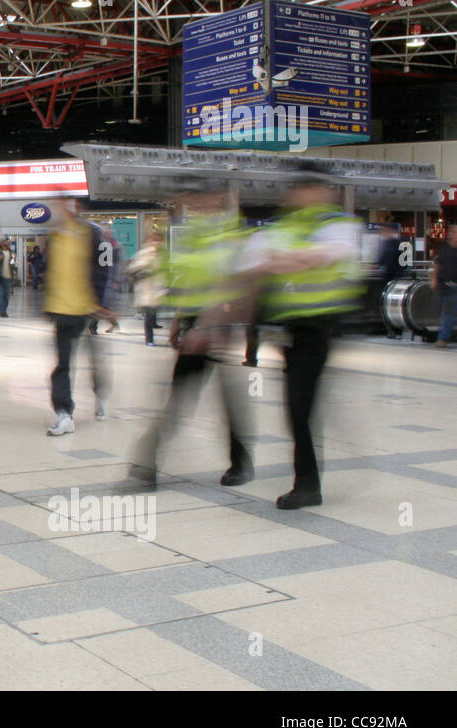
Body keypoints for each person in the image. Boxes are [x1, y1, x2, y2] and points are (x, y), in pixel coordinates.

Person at [235, 166, 365, 508]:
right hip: (290, 330)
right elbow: (250, 266)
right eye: (302, 188)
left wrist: (279, 260)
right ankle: (307, 483)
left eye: (313, 187)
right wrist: (282, 260)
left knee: (299, 407)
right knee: (297, 408)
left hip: (320, 327)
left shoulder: (339, 225)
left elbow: (314, 258)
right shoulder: (285, 226)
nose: (306, 194)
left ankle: (308, 486)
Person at [127, 185, 253, 490]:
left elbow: (228, 284)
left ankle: (238, 462)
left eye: (198, 197)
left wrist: (206, 327)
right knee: (186, 396)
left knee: (211, 398)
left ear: (217, 198)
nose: (191, 204)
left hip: (218, 324)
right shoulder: (191, 234)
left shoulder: (230, 231)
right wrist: (181, 320)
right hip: (196, 325)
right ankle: (150, 464)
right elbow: (191, 283)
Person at [44, 198, 116, 436]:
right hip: (61, 309)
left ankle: (101, 395)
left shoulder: (92, 234)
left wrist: (103, 304)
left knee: (93, 357)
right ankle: (65, 413)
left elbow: (104, 269)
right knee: (63, 364)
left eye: (67, 205)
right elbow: (51, 272)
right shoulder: (55, 236)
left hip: (87, 308)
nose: (62, 210)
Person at [128, 233, 164, 345]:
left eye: (158, 241)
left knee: (152, 313)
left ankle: (151, 333)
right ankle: (149, 339)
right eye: (154, 240)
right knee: (148, 315)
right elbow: (133, 268)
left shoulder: (162, 255)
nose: (156, 243)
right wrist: (144, 270)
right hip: (146, 290)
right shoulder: (143, 254)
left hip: (157, 289)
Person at [432, 225, 457, 348]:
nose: (451, 234)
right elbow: (438, 263)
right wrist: (434, 278)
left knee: (448, 312)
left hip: (455, 286)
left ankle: (443, 338)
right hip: (444, 285)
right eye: (451, 231)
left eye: (454, 232)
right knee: (447, 312)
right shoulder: (445, 248)